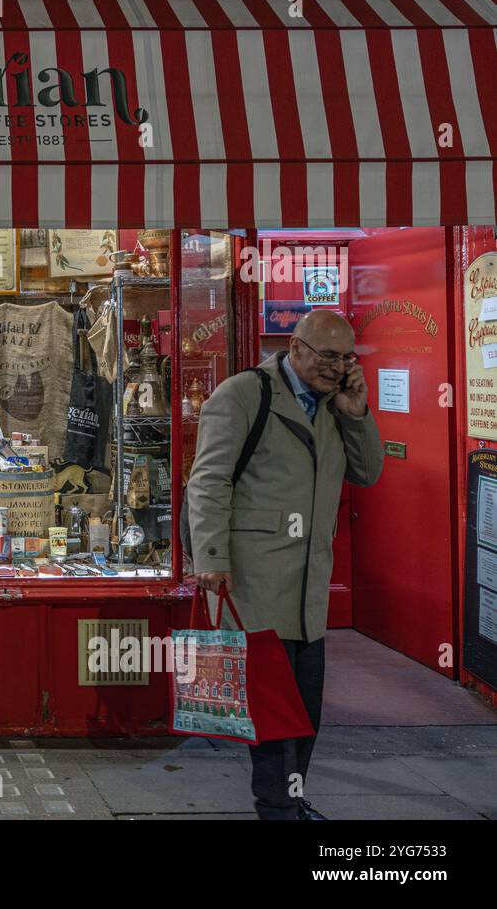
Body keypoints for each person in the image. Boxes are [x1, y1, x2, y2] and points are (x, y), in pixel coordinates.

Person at [186, 309, 384, 820]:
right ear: (295, 349)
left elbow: (366, 473)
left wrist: (356, 413)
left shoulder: (335, 405)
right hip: (255, 583)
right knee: (273, 714)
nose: (337, 367)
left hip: (308, 589)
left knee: (307, 716)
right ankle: (277, 807)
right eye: (327, 356)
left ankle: (290, 798)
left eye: (346, 358)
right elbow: (208, 481)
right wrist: (210, 558)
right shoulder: (243, 394)